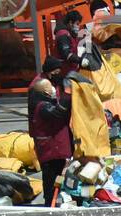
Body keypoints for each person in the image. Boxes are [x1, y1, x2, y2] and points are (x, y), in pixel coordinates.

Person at [28, 57, 74, 206]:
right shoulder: (41, 104)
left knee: (57, 170)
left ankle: (54, 198)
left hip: (54, 140)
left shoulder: (44, 91)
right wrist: (67, 95)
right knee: (50, 174)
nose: (53, 90)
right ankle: (50, 202)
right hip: (48, 143)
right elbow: (57, 113)